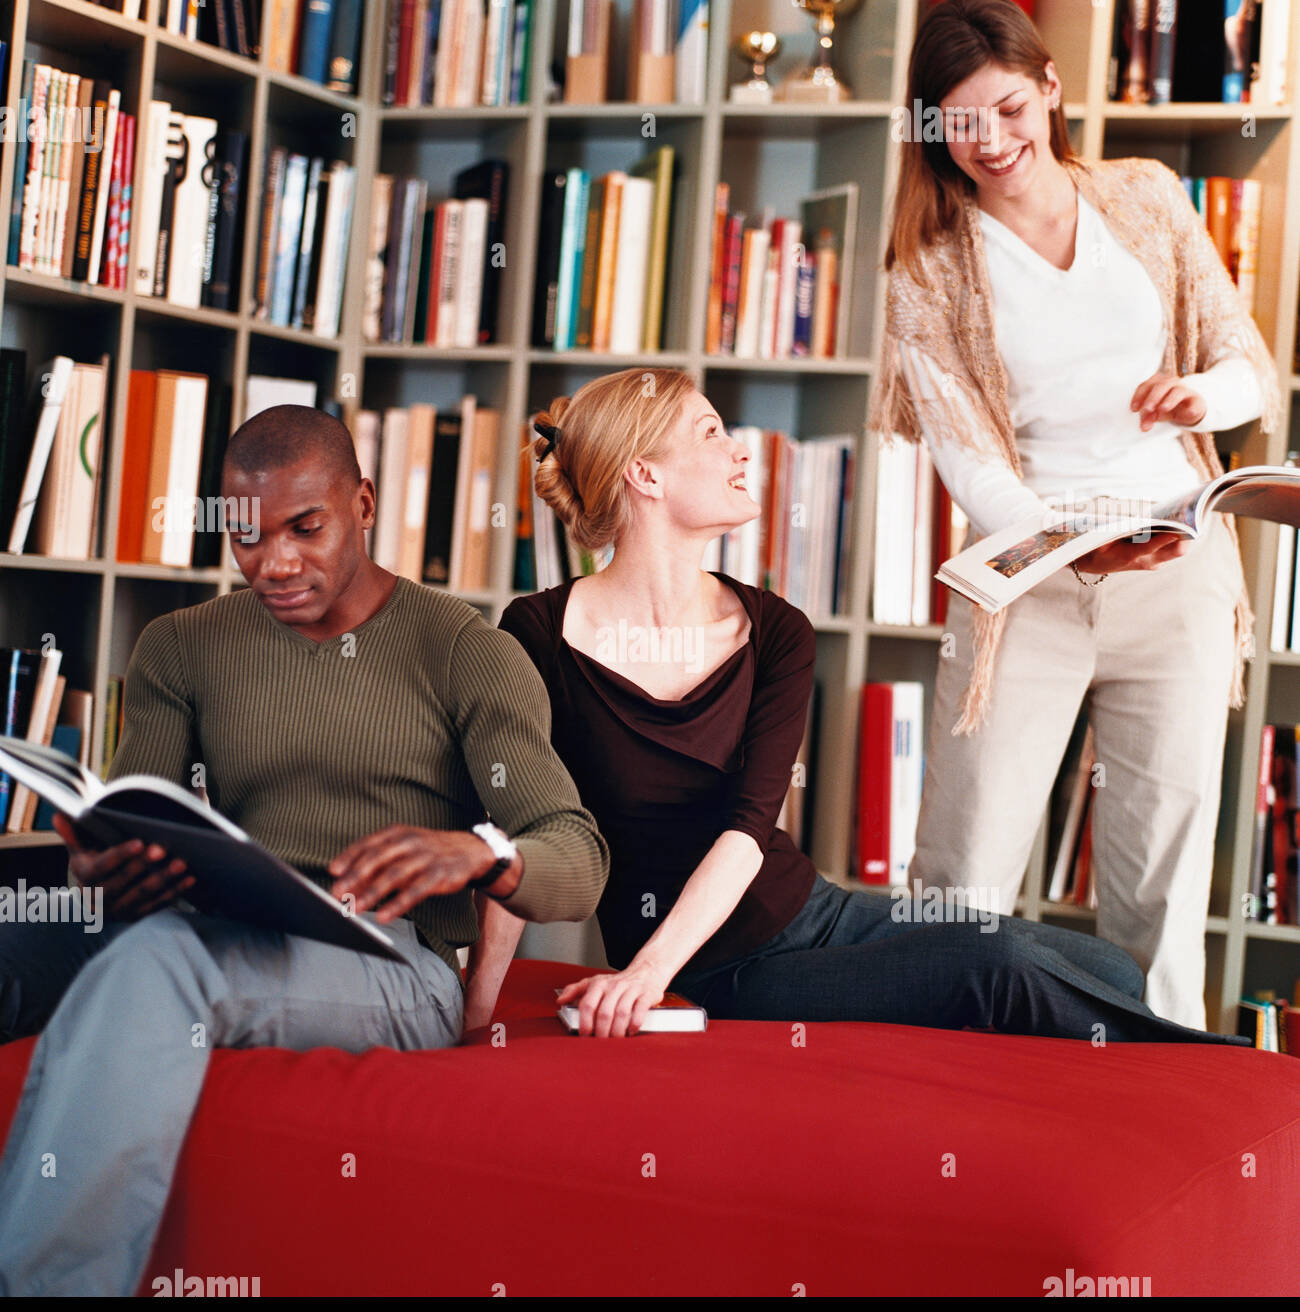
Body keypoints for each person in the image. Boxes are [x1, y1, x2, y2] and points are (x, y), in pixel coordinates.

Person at [0, 404, 608, 1295]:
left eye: (305, 528)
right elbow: (139, 817)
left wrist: (480, 855)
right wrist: (101, 867)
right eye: (246, 536)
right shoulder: (184, 645)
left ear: (362, 503)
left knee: (165, 960)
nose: (274, 563)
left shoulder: (464, 652)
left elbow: (576, 855)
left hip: (393, 960)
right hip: (222, 916)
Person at [463, 365, 1251, 1050]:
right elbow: (516, 830)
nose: (741, 450)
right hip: (724, 969)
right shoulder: (537, 631)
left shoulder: (776, 629)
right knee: (1001, 970)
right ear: (646, 475)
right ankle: (1234, 1071)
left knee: (1105, 967)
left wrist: (642, 974)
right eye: (711, 433)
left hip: (816, 912)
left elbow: (749, 828)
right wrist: (481, 1014)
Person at [868, 0, 1281, 1029]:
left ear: (1048, 89)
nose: (995, 143)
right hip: (1028, 588)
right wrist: (1072, 545)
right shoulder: (923, 267)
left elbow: (1250, 368)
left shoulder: (1143, 197)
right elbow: (969, 461)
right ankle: (934, 1079)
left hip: (1177, 575)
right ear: (930, 133)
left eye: (1010, 108)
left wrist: (1201, 398)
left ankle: (1164, 1091)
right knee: (963, 868)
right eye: (961, 126)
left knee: (1161, 878)